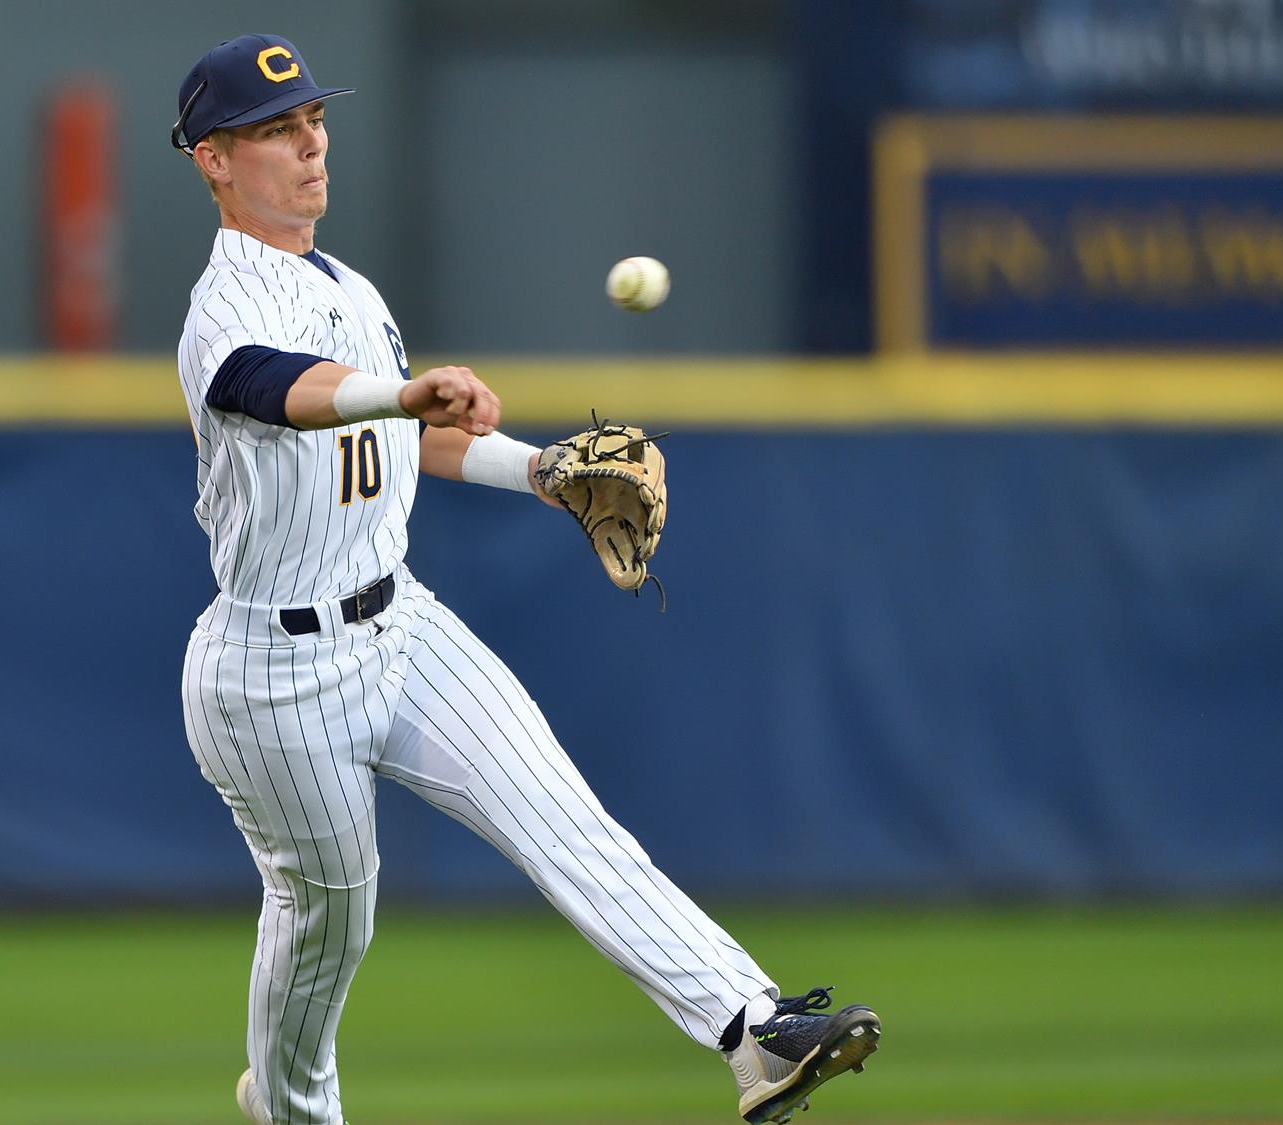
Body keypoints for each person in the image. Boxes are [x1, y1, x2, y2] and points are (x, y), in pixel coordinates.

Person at [170, 34, 881, 1125]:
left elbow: (400, 437)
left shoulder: (349, 291)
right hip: (270, 675)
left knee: (567, 821)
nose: (309, 145)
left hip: (397, 625)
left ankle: (752, 1031)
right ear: (213, 159)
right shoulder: (222, 306)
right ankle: (289, 1107)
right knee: (327, 924)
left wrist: (539, 470)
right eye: (275, 131)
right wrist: (399, 395)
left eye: (313, 119)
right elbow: (269, 389)